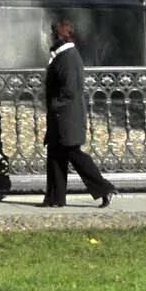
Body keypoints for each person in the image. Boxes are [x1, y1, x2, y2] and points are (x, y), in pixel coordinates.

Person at [42, 19, 117, 208]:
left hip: (66, 116)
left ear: (58, 36)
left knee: (74, 155)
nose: (50, 37)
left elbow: (69, 89)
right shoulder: (64, 55)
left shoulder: (67, 57)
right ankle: (55, 198)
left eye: (52, 34)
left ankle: (104, 188)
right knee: (56, 155)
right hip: (62, 116)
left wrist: (54, 104)